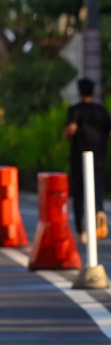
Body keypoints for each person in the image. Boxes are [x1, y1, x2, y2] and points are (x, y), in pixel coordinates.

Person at [65, 77, 111, 244]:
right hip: (99, 156)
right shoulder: (102, 111)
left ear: (79, 92)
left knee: (79, 195)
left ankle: (81, 231)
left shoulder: (75, 110)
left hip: (79, 157)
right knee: (97, 191)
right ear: (94, 92)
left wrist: (69, 135)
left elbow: (71, 129)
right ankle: (98, 218)